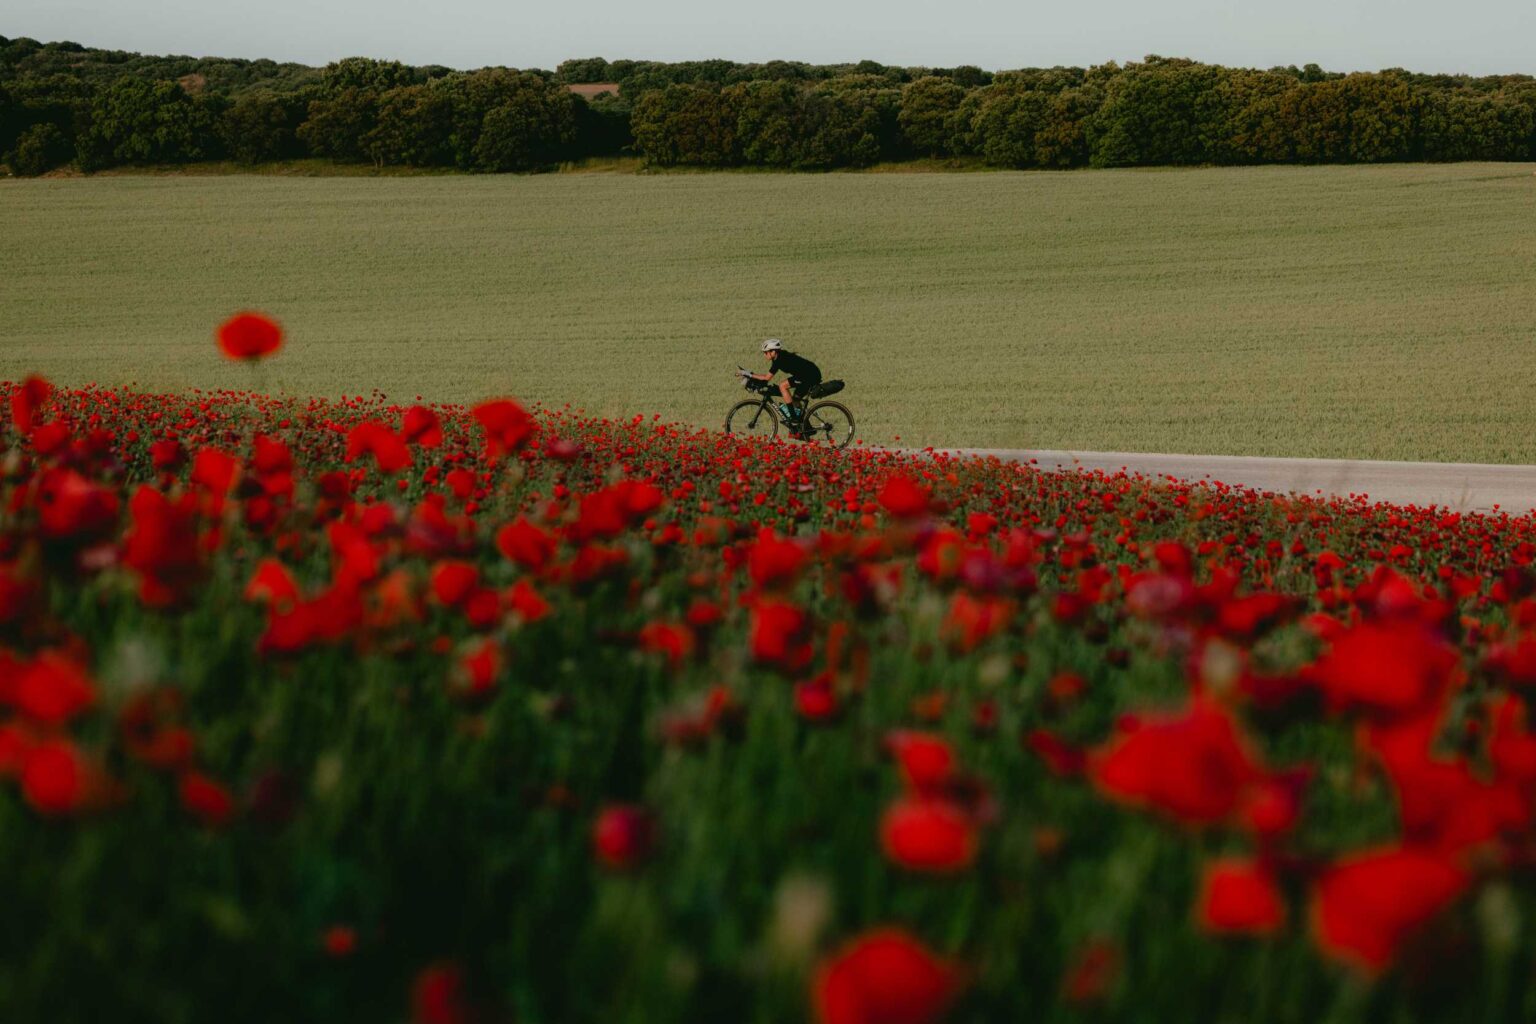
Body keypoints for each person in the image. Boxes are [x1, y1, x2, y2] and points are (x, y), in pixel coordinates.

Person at [744, 338, 822, 431]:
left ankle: (793, 417)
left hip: (810, 375)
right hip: (806, 375)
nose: (765, 355)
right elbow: (766, 378)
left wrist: (749, 374)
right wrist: (750, 375)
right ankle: (805, 428)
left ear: (773, 352)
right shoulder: (778, 357)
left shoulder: (780, 359)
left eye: (766, 352)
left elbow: (766, 378)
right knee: (795, 400)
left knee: (783, 385)